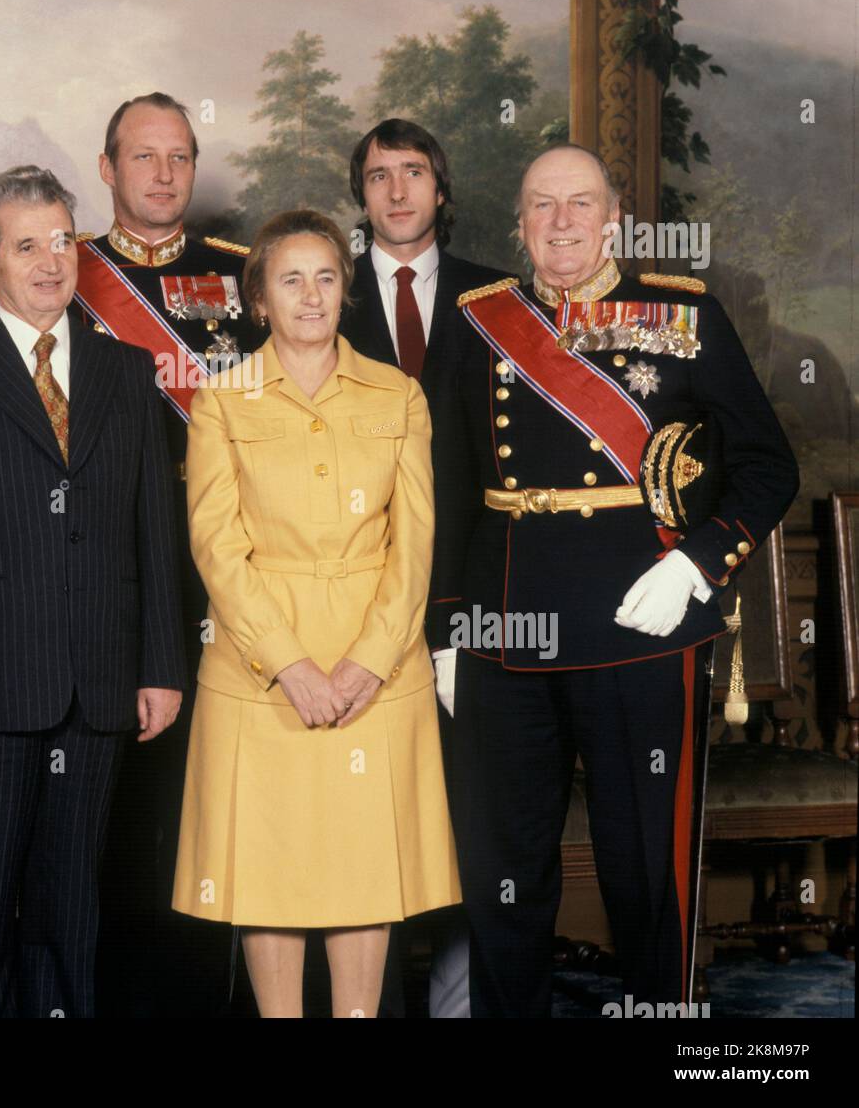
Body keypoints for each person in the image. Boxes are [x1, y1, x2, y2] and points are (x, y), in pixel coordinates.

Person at [440, 143, 800, 1016]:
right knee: (502, 871)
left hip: (640, 619)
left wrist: (695, 563)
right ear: (519, 222)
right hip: (502, 627)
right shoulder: (475, 319)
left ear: (613, 218)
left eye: (579, 204)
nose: (561, 223)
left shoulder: (685, 315)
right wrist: (445, 625)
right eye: (541, 206)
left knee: (644, 864)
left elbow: (766, 467)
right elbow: (445, 484)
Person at [0, 164, 184, 1018]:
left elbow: (153, 533)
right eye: (26, 246)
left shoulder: (129, 373)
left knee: (72, 906)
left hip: (97, 687)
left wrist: (160, 665)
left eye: (62, 241)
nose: (50, 262)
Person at [172, 209, 461, 1018]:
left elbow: (416, 546)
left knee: (361, 872)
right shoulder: (222, 400)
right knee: (272, 873)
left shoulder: (397, 393)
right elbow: (216, 549)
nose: (310, 295)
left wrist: (369, 662)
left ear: (347, 291)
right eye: (290, 279)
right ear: (258, 298)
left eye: (327, 277)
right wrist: (290, 665)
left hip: (378, 667)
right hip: (260, 673)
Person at [73, 91, 263, 1015]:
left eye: (179, 157)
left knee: (216, 787)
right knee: (118, 792)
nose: (161, 173)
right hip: (104, 566)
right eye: (142, 157)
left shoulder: (245, 277)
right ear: (106, 169)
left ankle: (204, 998)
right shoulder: (59, 273)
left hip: (226, 559)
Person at [339, 118, 508, 1018]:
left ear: (441, 188)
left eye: (413, 174)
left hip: (477, 598)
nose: (397, 192)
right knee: (368, 821)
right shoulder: (325, 299)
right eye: (377, 177)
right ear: (360, 197)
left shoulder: (498, 298)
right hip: (354, 606)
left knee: (468, 821)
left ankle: (457, 1007)